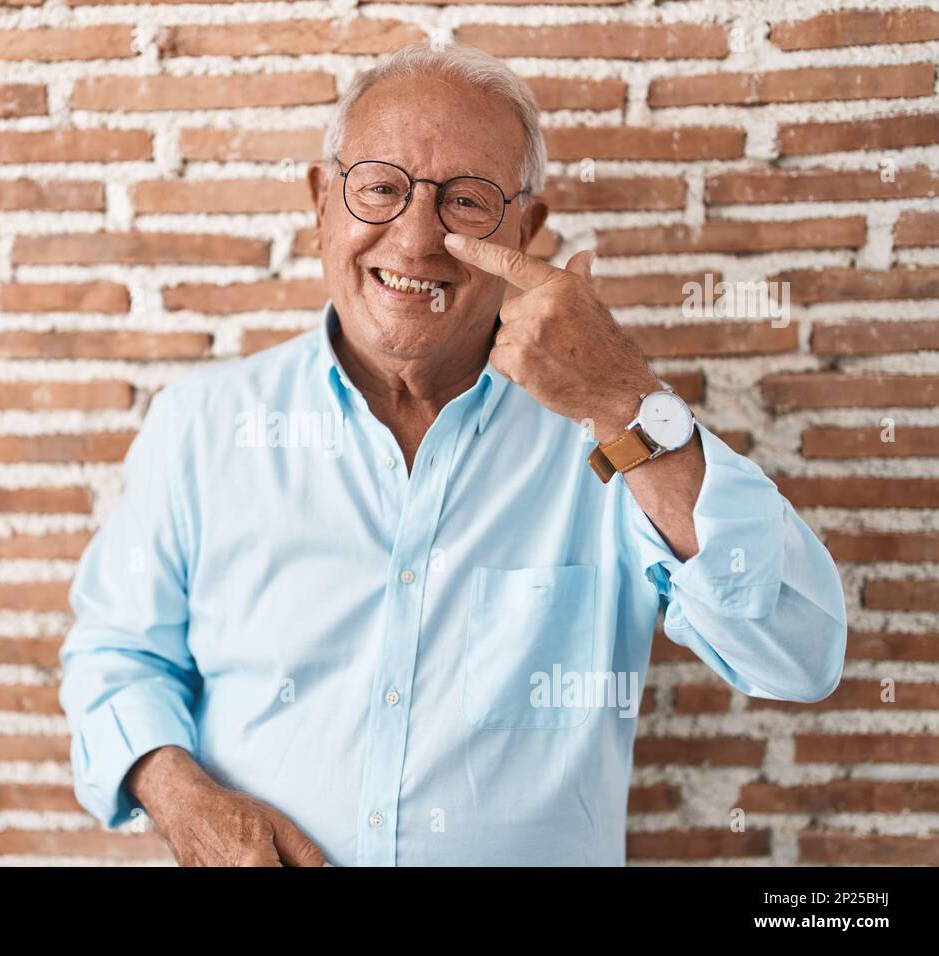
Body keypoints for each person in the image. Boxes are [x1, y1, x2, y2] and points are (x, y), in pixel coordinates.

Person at [58, 42, 847, 866]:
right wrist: (180, 799)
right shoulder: (202, 424)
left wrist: (623, 398)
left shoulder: (621, 437)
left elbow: (798, 654)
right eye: (380, 187)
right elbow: (117, 654)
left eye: (466, 202)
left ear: (528, 230)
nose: (416, 239)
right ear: (322, 201)